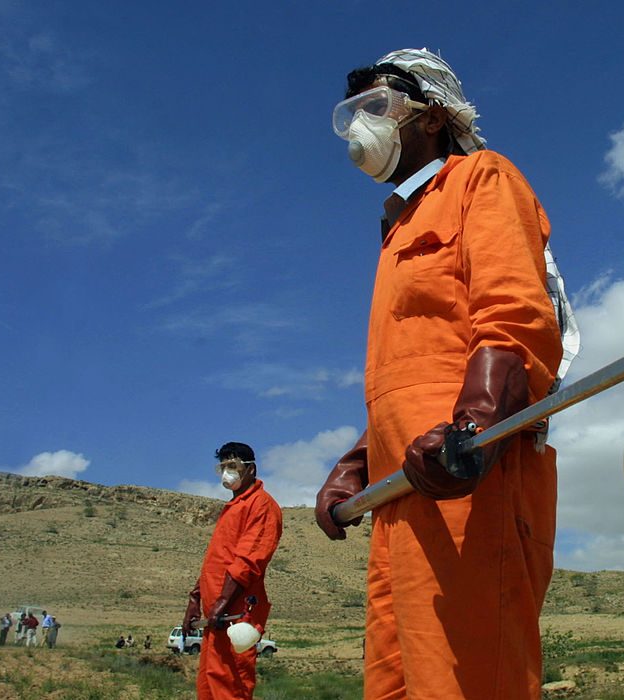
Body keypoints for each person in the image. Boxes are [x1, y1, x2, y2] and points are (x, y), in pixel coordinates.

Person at [315, 48, 575, 700]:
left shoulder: (481, 178)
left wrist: (476, 428)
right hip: (401, 491)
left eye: (377, 106)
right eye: (351, 112)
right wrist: (360, 459)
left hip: (468, 476)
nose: (361, 126)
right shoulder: (398, 228)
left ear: (431, 116)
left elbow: (514, 316)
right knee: (395, 685)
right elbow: (415, 367)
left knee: (468, 682)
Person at [181, 442, 283, 700]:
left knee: (230, 685)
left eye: (233, 465)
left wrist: (222, 603)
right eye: (223, 467)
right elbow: (216, 562)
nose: (227, 472)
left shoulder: (261, 505)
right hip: (216, 615)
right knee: (209, 685)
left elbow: (248, 561)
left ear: (251, 469)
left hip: (236, 616)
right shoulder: (234, 507)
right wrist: (195, 598)